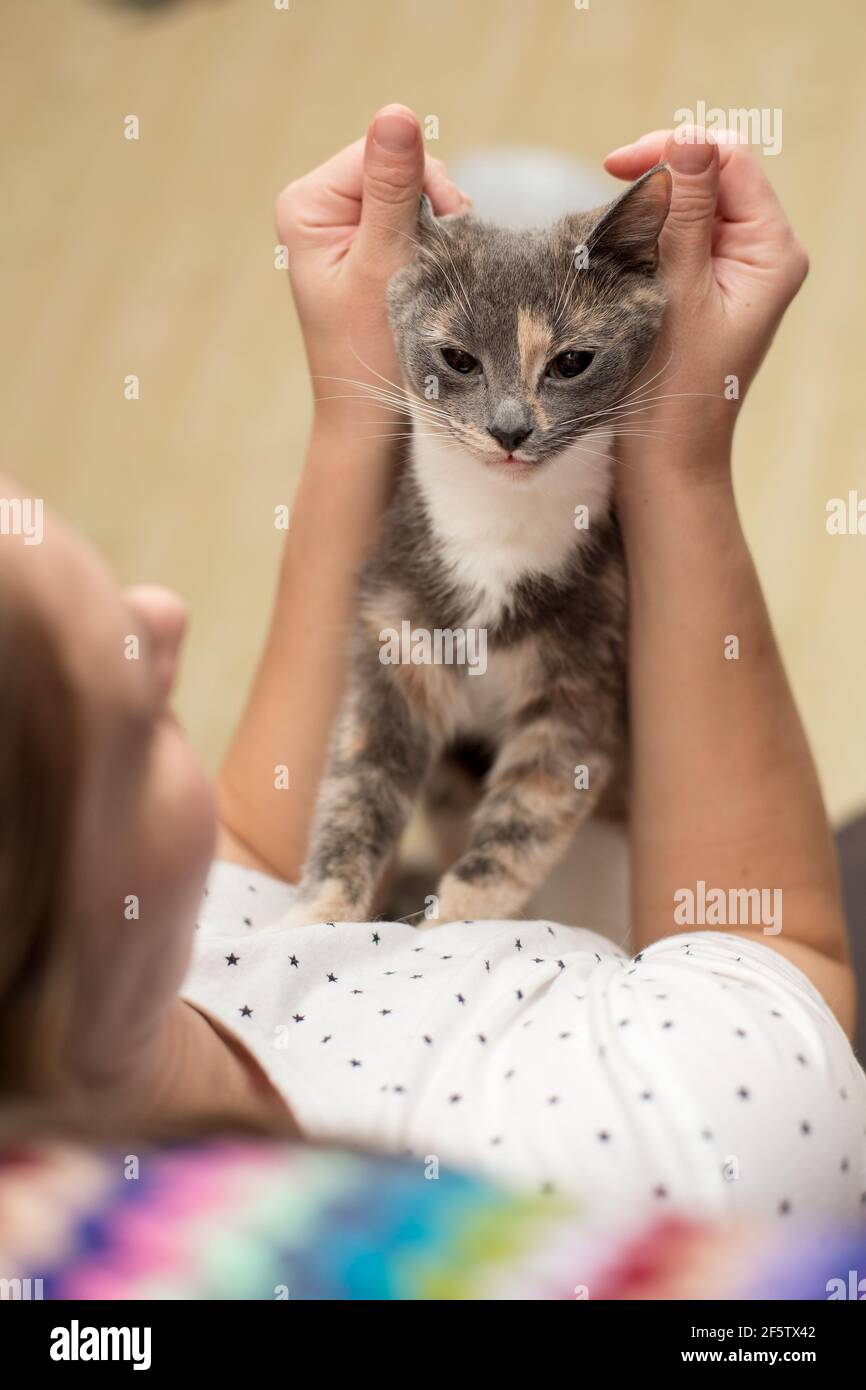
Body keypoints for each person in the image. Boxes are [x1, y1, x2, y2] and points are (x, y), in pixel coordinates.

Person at [1, 107, 861, 1217]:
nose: (162, 616)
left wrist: (350, 404)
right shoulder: (671, 1139)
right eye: (127, 686)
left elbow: (262, 848)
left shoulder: (162, 951)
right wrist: (681, 454)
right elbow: (773, 948)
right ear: (86, 858)